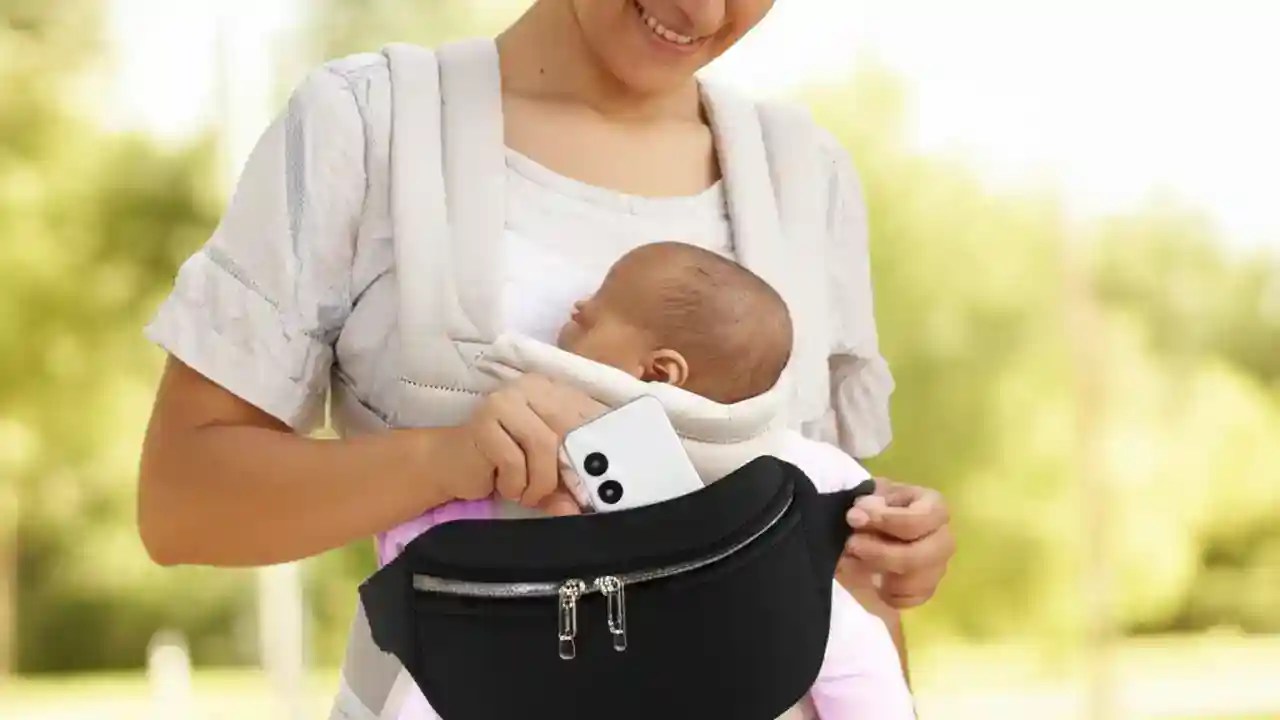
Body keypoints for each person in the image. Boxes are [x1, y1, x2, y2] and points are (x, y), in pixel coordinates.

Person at [138, 1, 955, 717]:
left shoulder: (804, 176)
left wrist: (883, 551)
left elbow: (840, 595)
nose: (706, 12)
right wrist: (445, 460)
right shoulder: (368, 125)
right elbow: (181, 506)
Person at [380, 241, 916, 719]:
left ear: (659, 371)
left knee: (458, 672)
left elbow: (461, 519)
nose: (577, 307)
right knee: (852, 646)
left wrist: (411, 537)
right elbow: (850, 497)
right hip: (742, 634)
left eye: (594, 315)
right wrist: (874, 511)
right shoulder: (781, 453)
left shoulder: (556, 428)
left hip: (582, 638)